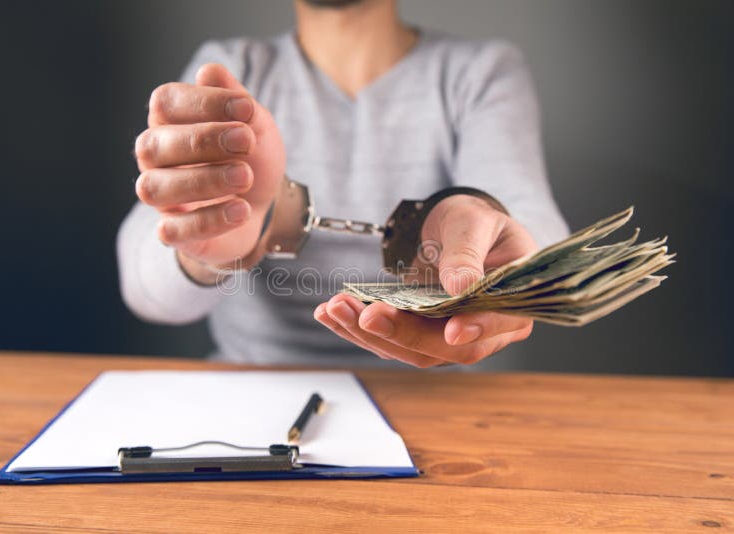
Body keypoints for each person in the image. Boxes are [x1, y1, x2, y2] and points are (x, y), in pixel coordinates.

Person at [117, 0, 569, 368]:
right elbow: (146, 290)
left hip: (446, 406)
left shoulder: (480, 73)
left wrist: (495, 239)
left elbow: (538, 232)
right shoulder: (235, 70)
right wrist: (208, 243)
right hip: (256, 397)